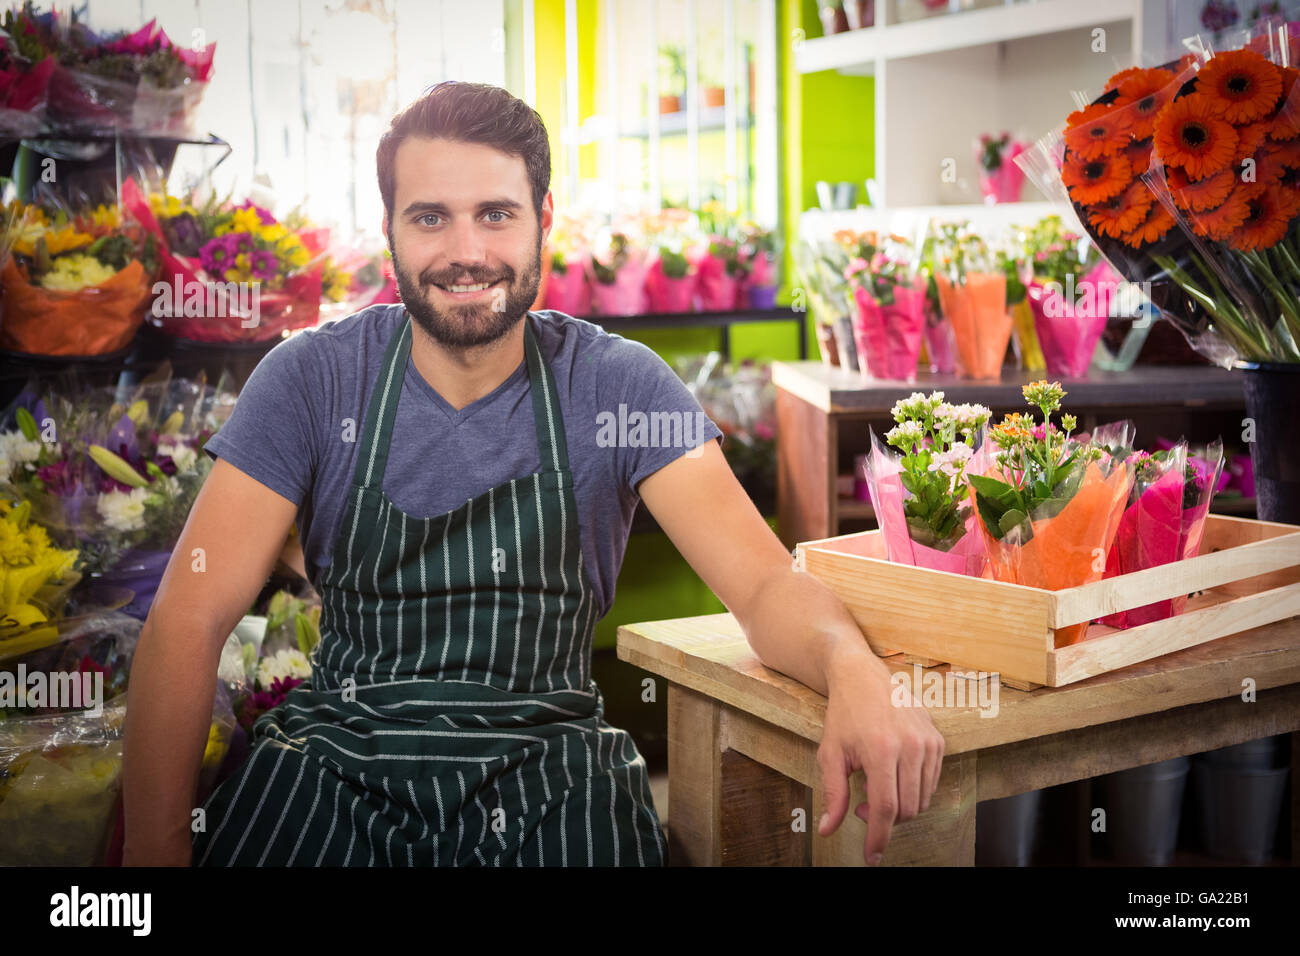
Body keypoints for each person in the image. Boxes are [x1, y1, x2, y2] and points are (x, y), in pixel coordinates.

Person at [122, 81, 944, 867]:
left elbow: (765, 588)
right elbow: (188, 618)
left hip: (553, 773)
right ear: (389, 230)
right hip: (337, 758)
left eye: (496, 215)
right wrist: (153, 855)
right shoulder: (310, 379)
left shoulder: (618, 385)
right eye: (431, 218)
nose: (466, 252)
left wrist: (853, 671)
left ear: (543, 219)